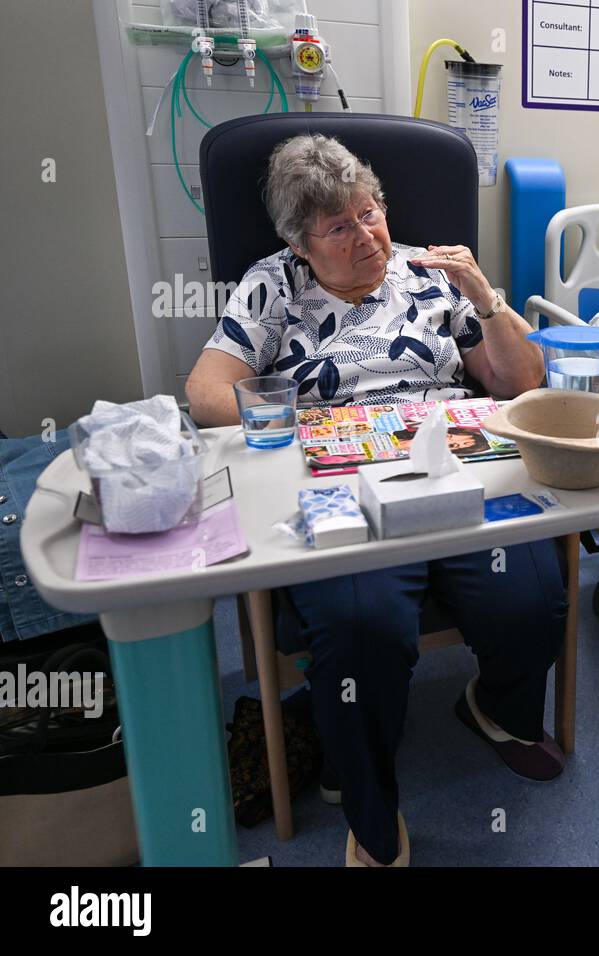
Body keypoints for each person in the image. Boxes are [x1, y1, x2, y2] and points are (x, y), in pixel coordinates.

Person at [186, 134, 565, 867]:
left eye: (371, 213)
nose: (367, 237)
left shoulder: (431, 274)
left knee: (531, 599)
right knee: (361, 627)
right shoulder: (273, 287)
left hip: (453, 464)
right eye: (339, 227)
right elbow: (205, 395)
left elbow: (519, 383)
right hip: (333, 478)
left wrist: (484, 298)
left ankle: (494, 706)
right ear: (301, 243)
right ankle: (370, 806)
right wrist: (315, 425)